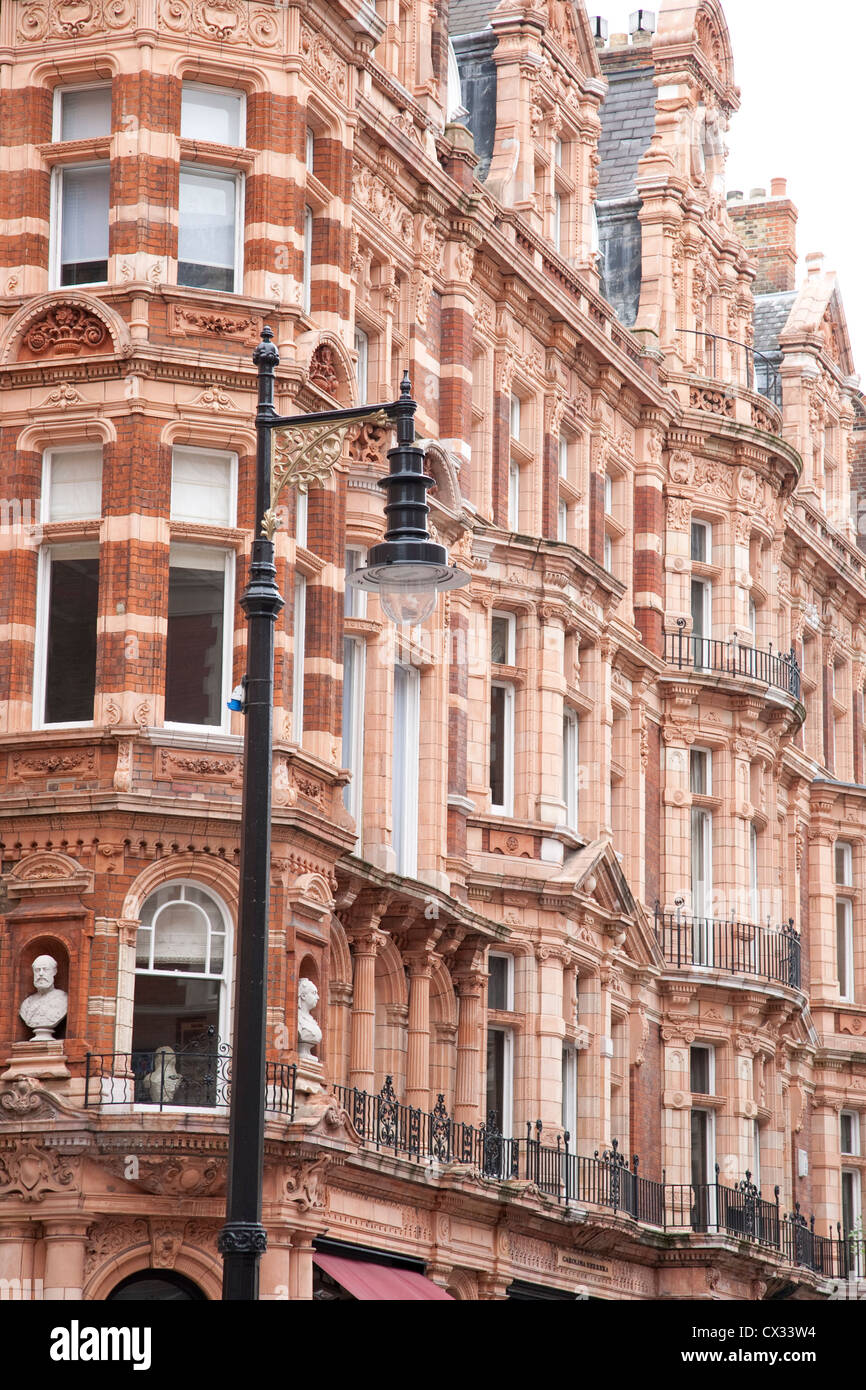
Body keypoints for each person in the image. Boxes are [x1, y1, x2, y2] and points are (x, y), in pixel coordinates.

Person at [19, 954, 68, 1041]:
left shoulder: (64, 999)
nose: (41, 974)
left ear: (54, 972)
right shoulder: (27, 1003)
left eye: (45, 969)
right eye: (37, 970)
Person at [297, 977, 322, 1060]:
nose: (317, 997)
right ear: (303, 996)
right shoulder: (298, 1020)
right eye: (314, 993)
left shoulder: (311, 1020)